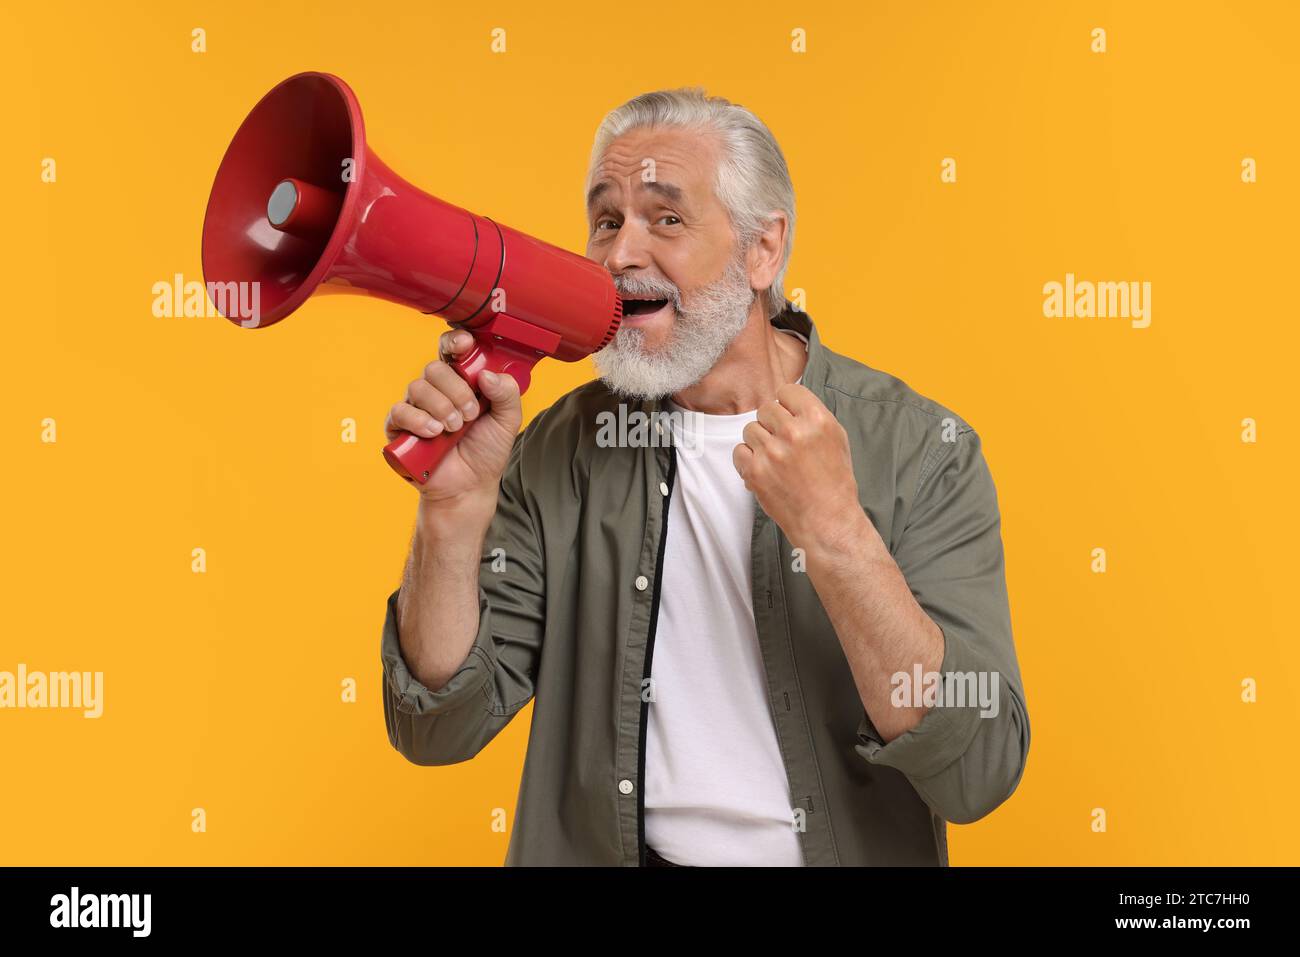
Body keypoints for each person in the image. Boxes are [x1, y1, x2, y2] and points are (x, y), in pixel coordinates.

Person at [380, 87, 1030, 866]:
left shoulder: (923, 449)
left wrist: (837, 534)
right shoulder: (559, 447)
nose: (621, 255)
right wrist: (452, 513)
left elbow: (978, 771)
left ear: (763, 249)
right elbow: (437, 726)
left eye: (667, 218)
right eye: (607, 220)